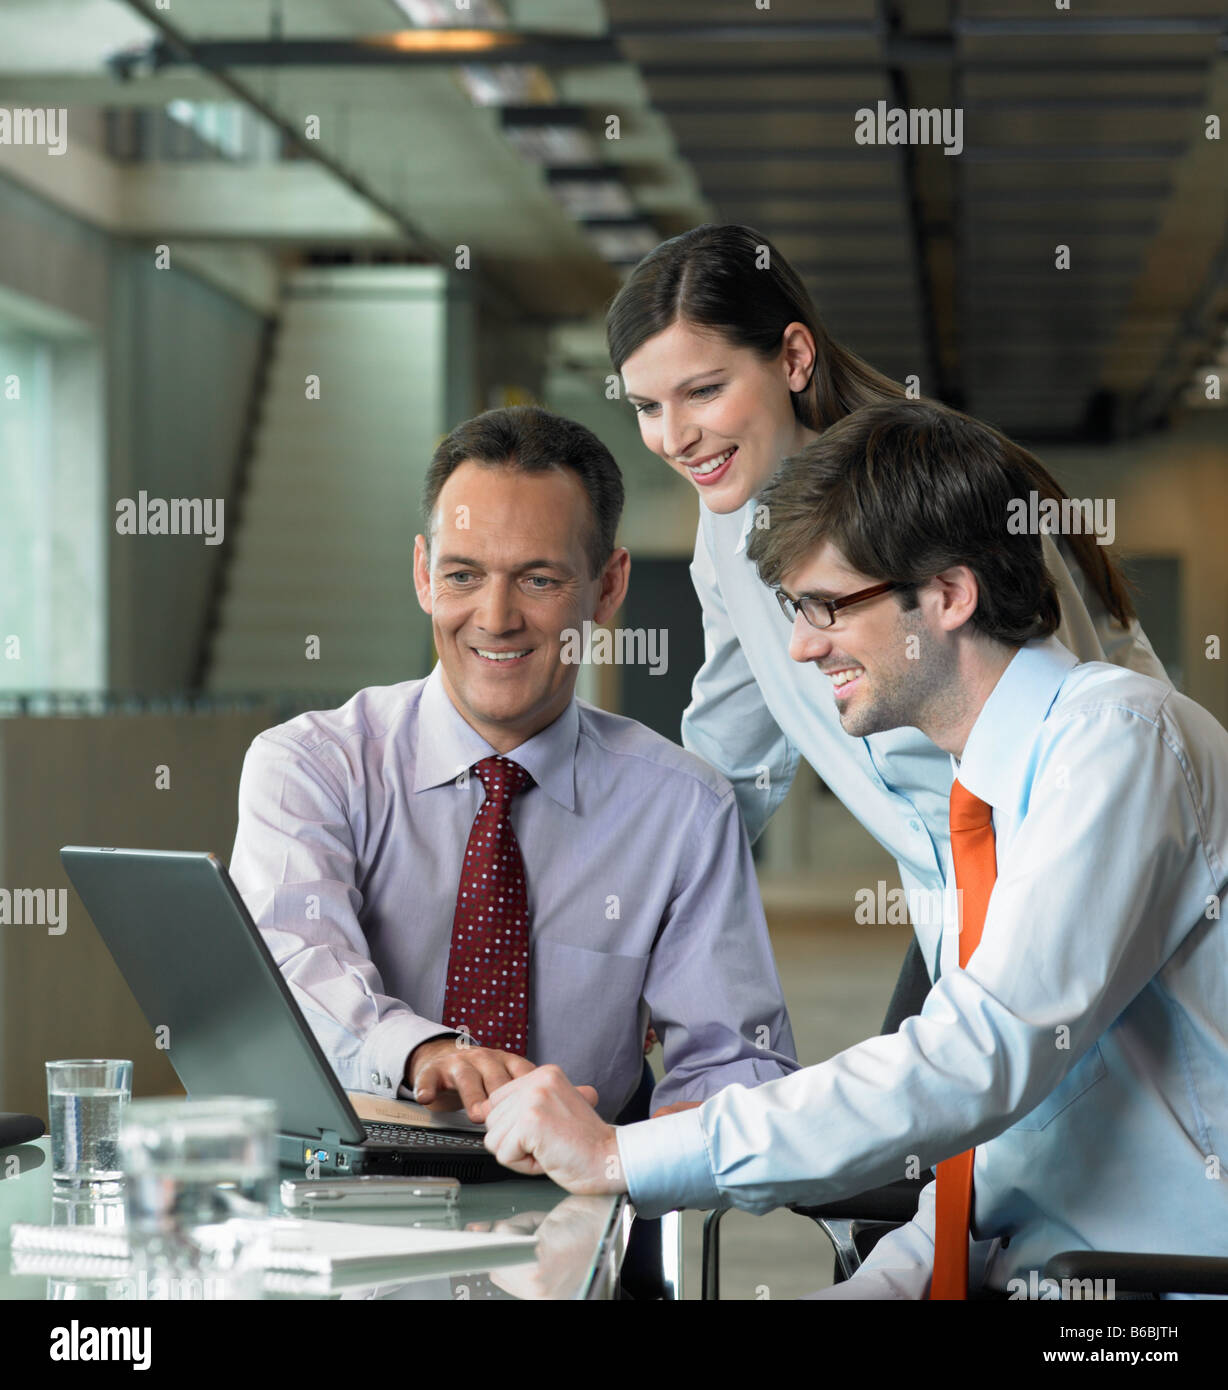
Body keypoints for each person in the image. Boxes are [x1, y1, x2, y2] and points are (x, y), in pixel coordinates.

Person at [478, 399, 1228, 1300]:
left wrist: (622, 1155)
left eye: (828, 606)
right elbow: (992, 1161)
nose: (799, 646)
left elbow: (978, 1061)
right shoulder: (978, 808)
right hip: (1039, 1273)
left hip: (1151, 1307)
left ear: (949, 595)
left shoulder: (1120, 745)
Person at [607, 223, 1168, 1008]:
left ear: (794, 358)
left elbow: (1076, 732)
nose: (674, 437)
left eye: (704, 391)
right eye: (646, 406)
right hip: (952, 907)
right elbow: (731, 764)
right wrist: (633, 941)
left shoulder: (935, 493)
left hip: (1073, 889)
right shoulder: (726, 536)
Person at [228, 404, 797, 1131]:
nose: (495, 617)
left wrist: (656, 1148)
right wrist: (423, 1050)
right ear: (422, 575)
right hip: (353, 1191)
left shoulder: (684, 809)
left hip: (588, 1196)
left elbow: (738, 1061)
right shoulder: (311, 767)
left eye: (538, 581)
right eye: (463, 575)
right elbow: (293, 964)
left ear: (610, 586)